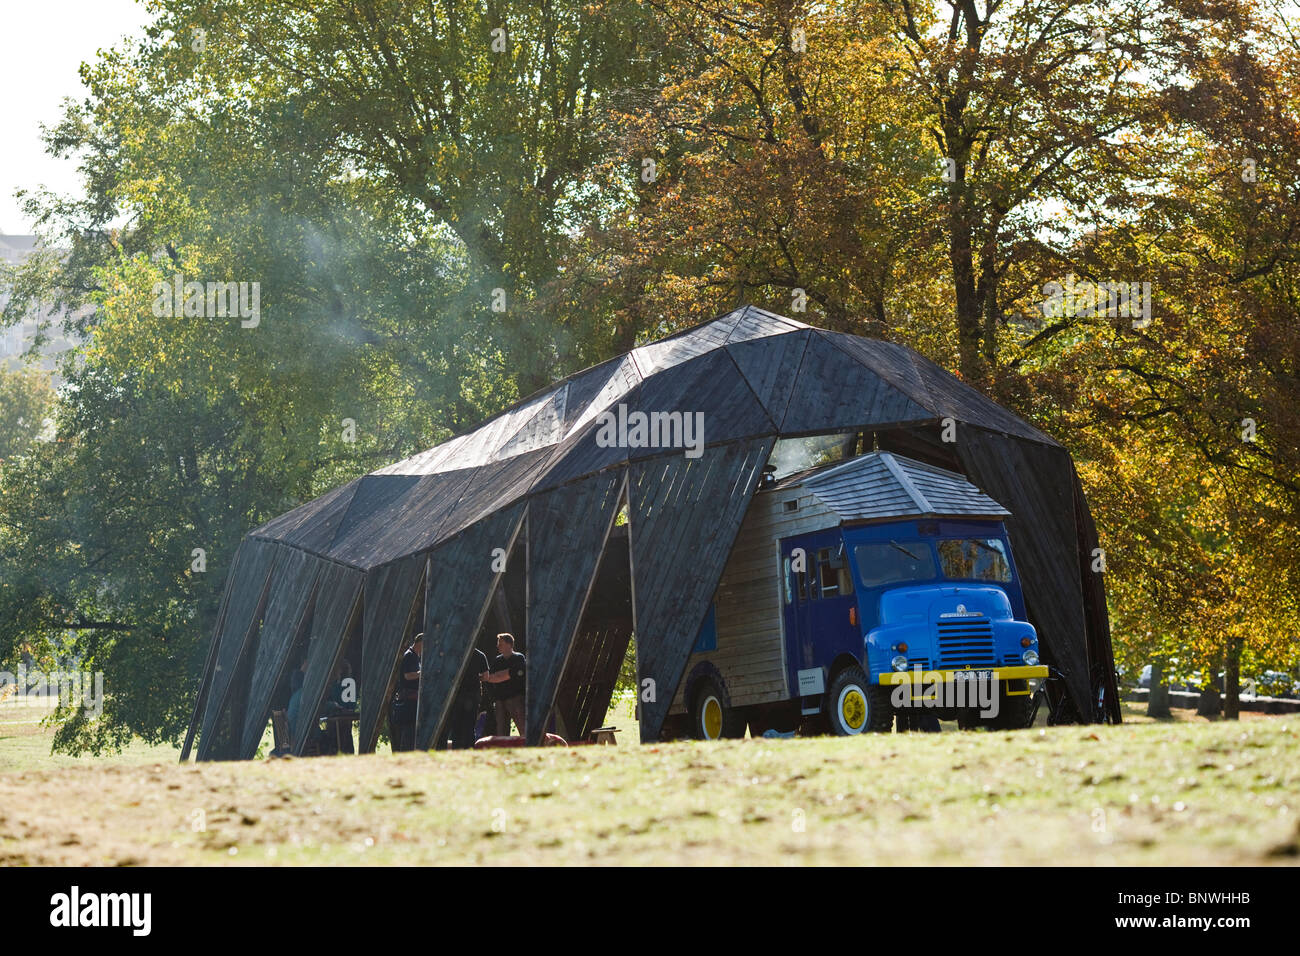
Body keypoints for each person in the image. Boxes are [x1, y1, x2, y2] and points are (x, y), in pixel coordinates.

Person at [444, 644, 490, 750]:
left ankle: (456, 748)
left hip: (457, 694)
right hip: (473, 695)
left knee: (456, 725)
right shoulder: (480, 655)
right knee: (469, 726)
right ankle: (469, 748)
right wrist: (476, 677)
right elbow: (486, 677)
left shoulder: (455, 653)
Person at [481, 633, 526, 737]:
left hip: (515, 699)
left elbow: (504, 675)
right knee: (501, 730)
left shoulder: (519, 658)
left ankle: (526, 746)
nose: (498, 646)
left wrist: (497, 676)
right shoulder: (498, 660)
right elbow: (490, 677)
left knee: (522, 727)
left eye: (500, 644)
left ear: (509, 645)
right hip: (500, 700)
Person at [389, 633, 422, 752]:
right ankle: (405, 754)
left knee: (412, 731)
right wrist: (422, 673)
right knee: (408, 731)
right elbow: (407, 676)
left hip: (413, 700)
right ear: (420, 643)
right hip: (408, 700)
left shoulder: (416, 656)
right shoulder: (409, 656)